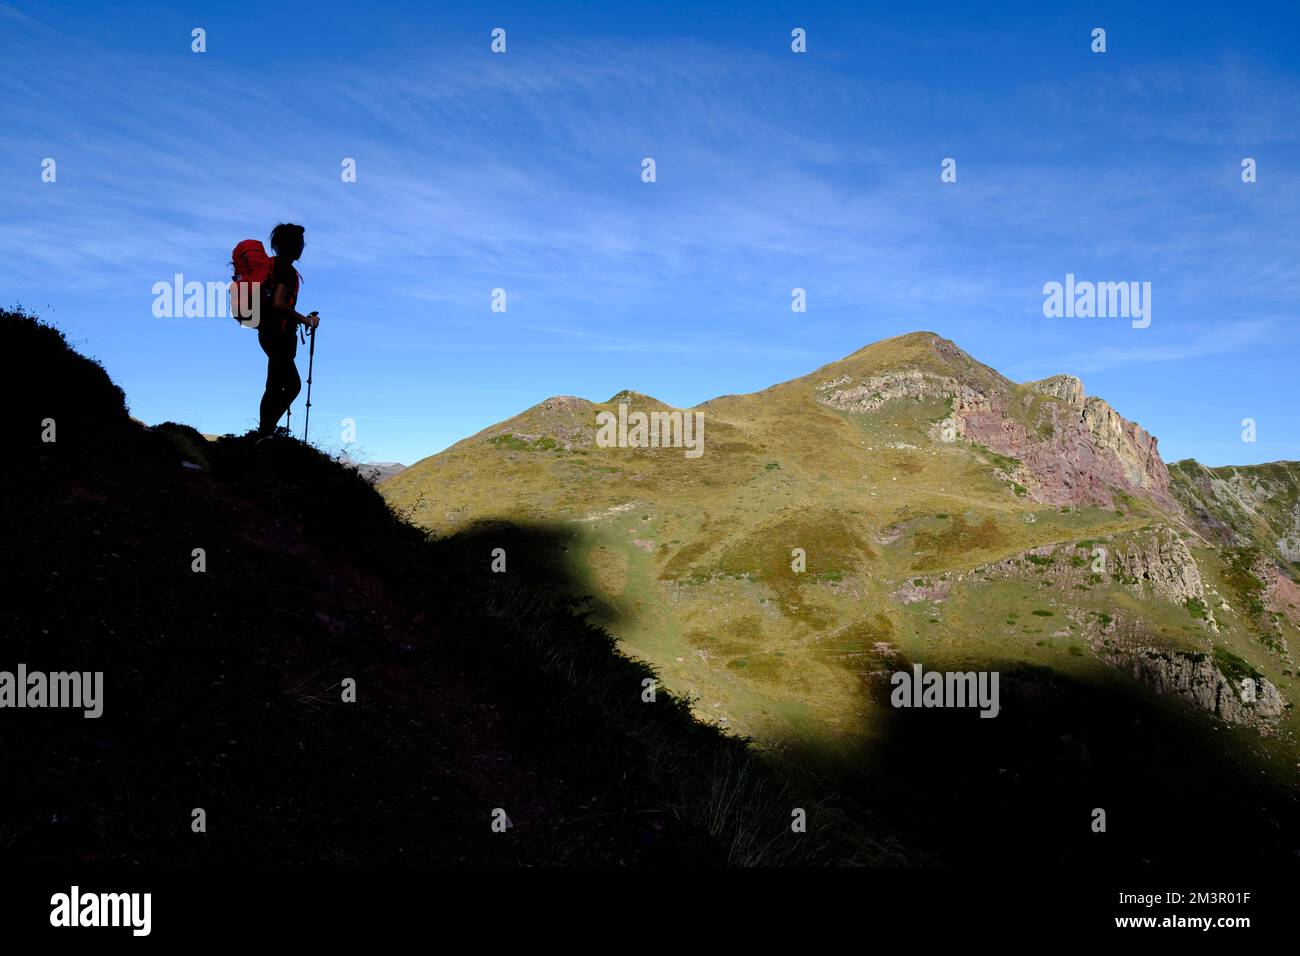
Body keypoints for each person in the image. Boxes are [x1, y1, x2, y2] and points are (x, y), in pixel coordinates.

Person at [256, 223, 320, 440]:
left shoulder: (275, 266)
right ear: (294, 246)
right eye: (301, 243)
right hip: (279, 334)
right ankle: (265, 433)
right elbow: (278, 303)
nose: (303, 246)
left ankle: (265, 433)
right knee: (291, 386)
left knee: (274, 385)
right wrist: (307, 321)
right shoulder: (286, 271)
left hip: (267, 332)